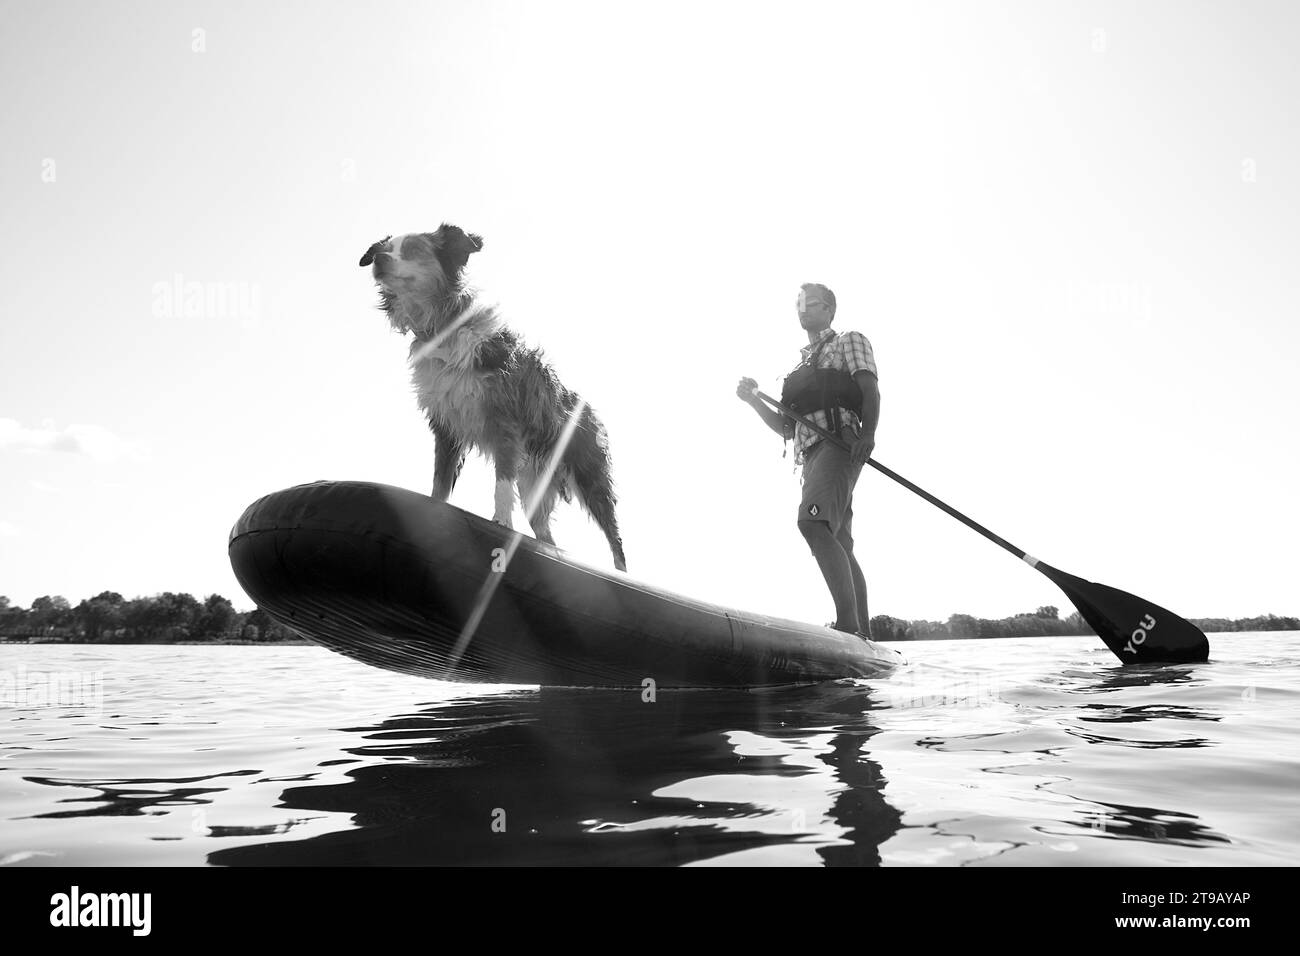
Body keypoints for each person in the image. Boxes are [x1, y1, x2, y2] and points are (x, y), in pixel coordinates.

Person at [737, 283, 881, 639]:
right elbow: (786, 428)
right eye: (799, 306)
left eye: (812, 305)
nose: (803, 311)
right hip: (810, 457)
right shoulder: (797, 368)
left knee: (812, 525)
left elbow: (870, 390)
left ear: (830, 309)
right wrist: (755, 401)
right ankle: (863, 635)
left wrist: (867, 436)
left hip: (840, 445)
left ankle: (848, 627)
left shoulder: (850, 340)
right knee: (840, 542)